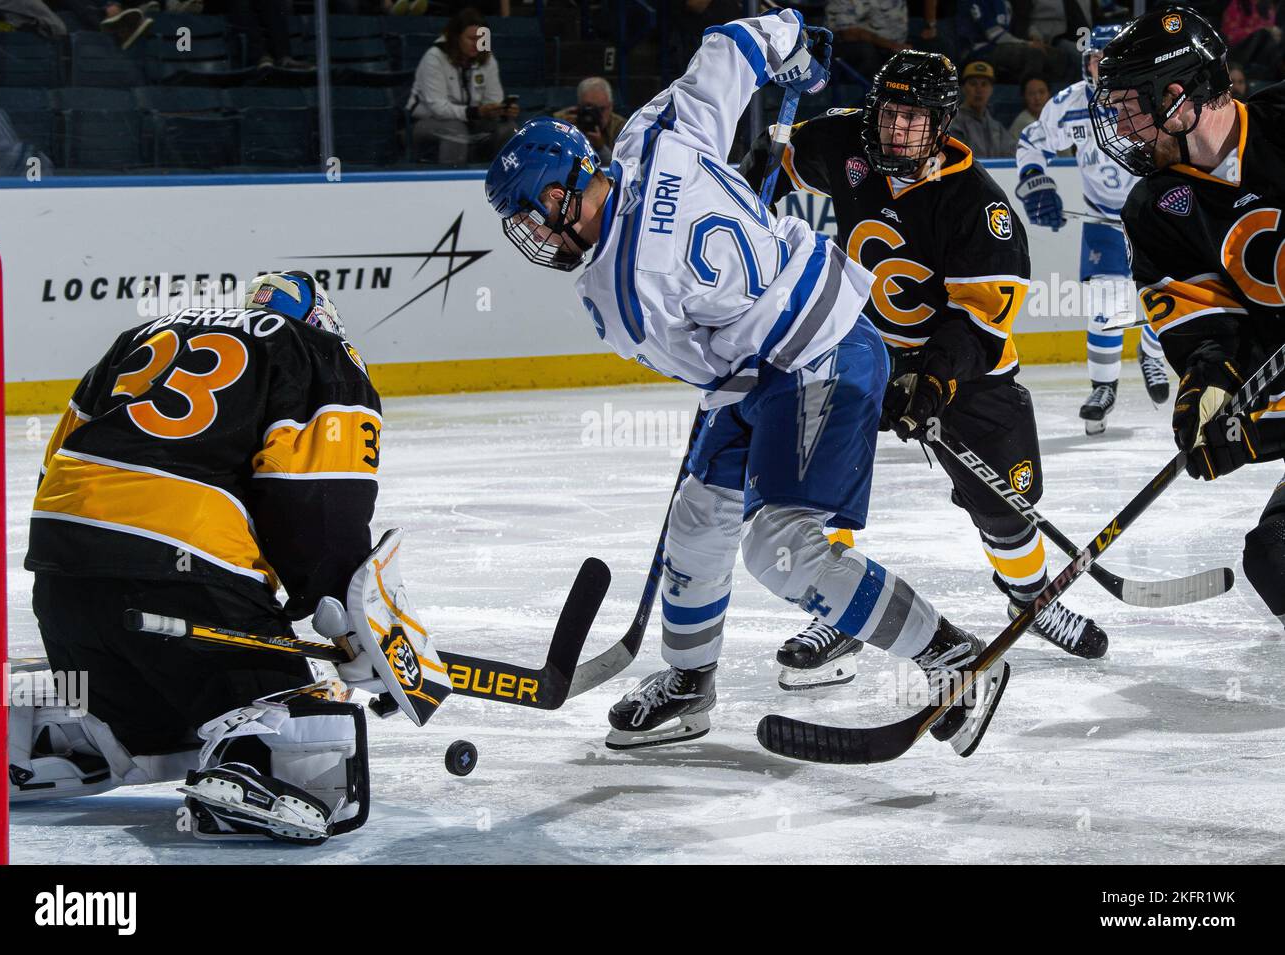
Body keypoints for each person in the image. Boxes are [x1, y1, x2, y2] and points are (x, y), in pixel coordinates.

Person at [484, 11, 1010, 750]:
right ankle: (689, 682)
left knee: (779, 547)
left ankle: (953, 656)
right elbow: (731, 46)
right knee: (698, 515)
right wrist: (791, 45)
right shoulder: (654, 137)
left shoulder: (620, 300)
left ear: (572, 183)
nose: (536, 236)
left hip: (815, 351)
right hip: (774, 353)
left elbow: (711, 372)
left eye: (537, 215)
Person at [741, 49, 1109, 665]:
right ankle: (841, 609)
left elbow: (979, 322)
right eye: (888, 113)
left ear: (941, 123)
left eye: (913, 118)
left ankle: (1033, 600)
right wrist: (755, 173)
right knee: (822, 487)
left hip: (962, 372)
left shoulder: (979, 206)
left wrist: (932, 378)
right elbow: (784, 161)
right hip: (859, 351)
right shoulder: (848, 142)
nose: (896, 129)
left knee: (1005, 505)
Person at [12, 272, 387, 843]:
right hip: (182, 577)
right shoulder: (318, 351)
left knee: (162, 727)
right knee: (315, 736)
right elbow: (317, 499)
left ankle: (54, 732)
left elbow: (56, 460)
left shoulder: (141, 337)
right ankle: (257, 763)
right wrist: (340, 609)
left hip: (64, 576)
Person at [1090, 5, 1285, 629]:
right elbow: (1210, 332)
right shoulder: (1154, 209)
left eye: (1129, 106)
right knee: (1275, 554)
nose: (1118, 124)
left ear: (1177, 95)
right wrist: (1210, 390)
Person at [1016, 23, 1170, 437]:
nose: (1100, 67)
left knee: (1167, 294)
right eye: (1094, 59)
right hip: (1102, 219)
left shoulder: (1152, 96)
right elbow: (1032, 143)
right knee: (1107, 305)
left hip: (1154, 217)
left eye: (1108, 59)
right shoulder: (1070, 104)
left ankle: (1152, 353)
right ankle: (1104, 388)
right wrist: (1036, 183)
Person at [407, 6, 519, 164]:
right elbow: (438, 108)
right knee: (456, 131)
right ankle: (450, 184)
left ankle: (503, 181)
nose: (477, 43)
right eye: (471, 39)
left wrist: (501, 110)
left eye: (481, 38)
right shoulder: (434, 57)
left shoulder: (487, 57)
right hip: (427, 122)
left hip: (473, 120)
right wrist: (474, 112)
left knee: (508, 128)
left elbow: (493, 98)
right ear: (456, 37)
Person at [956, 0, 1070, 83]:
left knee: (1058, 56)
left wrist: (1033, 37)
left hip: (1006, 45)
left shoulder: (1006, 3)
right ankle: (1028, 94)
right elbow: (993, 34)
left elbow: (1020, 26)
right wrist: (1027, 44)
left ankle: (1052, 100)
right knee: (1034, 54)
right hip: (981, 49)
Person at [825, 0, 909, 81]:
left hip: (895, 44)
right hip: (850, 46)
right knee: (867, 52)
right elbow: (849, 34)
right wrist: (891, 45)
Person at [948, 60, 1018, 157]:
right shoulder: (953, 123)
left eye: (984, 84)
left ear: (991, 90)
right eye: (973, 84)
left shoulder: (997, 128)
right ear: (963, 88)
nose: (979, 89)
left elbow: (1013, 154)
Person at [552, 77, 627, 165]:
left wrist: (601, 147)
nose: (595, 115)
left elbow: (622, 170)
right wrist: (564, 134)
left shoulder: (621, 127)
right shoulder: (561, 122)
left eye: (601, 109)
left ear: (610, 106)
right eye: (589, 108)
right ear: (579, 106)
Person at [1221, 0, 1282, 80]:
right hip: (1240, 52)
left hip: (1262, 54)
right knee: (1263, 34)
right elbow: (1230, 36)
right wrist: (1259, 30)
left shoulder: (1267, 7)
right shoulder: (1238, 4)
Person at [1008, 74, 1049, 138]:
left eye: (1042, 92)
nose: (1037, 98)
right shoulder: (1024, 123)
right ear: (1024, 97)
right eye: (1031, 93)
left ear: (1049, 94)